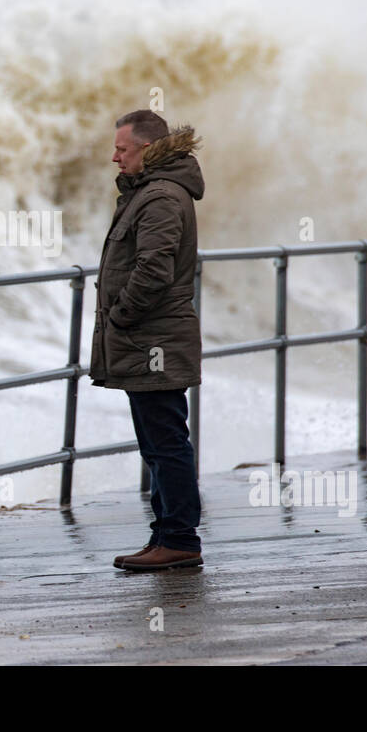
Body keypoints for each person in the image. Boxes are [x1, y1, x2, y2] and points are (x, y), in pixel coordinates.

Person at [88, 109, 205, 571]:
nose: (114, 157)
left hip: (154, 337)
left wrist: (121, 316)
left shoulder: (159, 197)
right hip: (152, 336)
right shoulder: (152, 192)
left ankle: (178, 538)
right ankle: (167, 535)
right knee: (160, 441)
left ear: (149, 149)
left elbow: (154, 268)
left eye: (122, 149)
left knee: (165, 441)